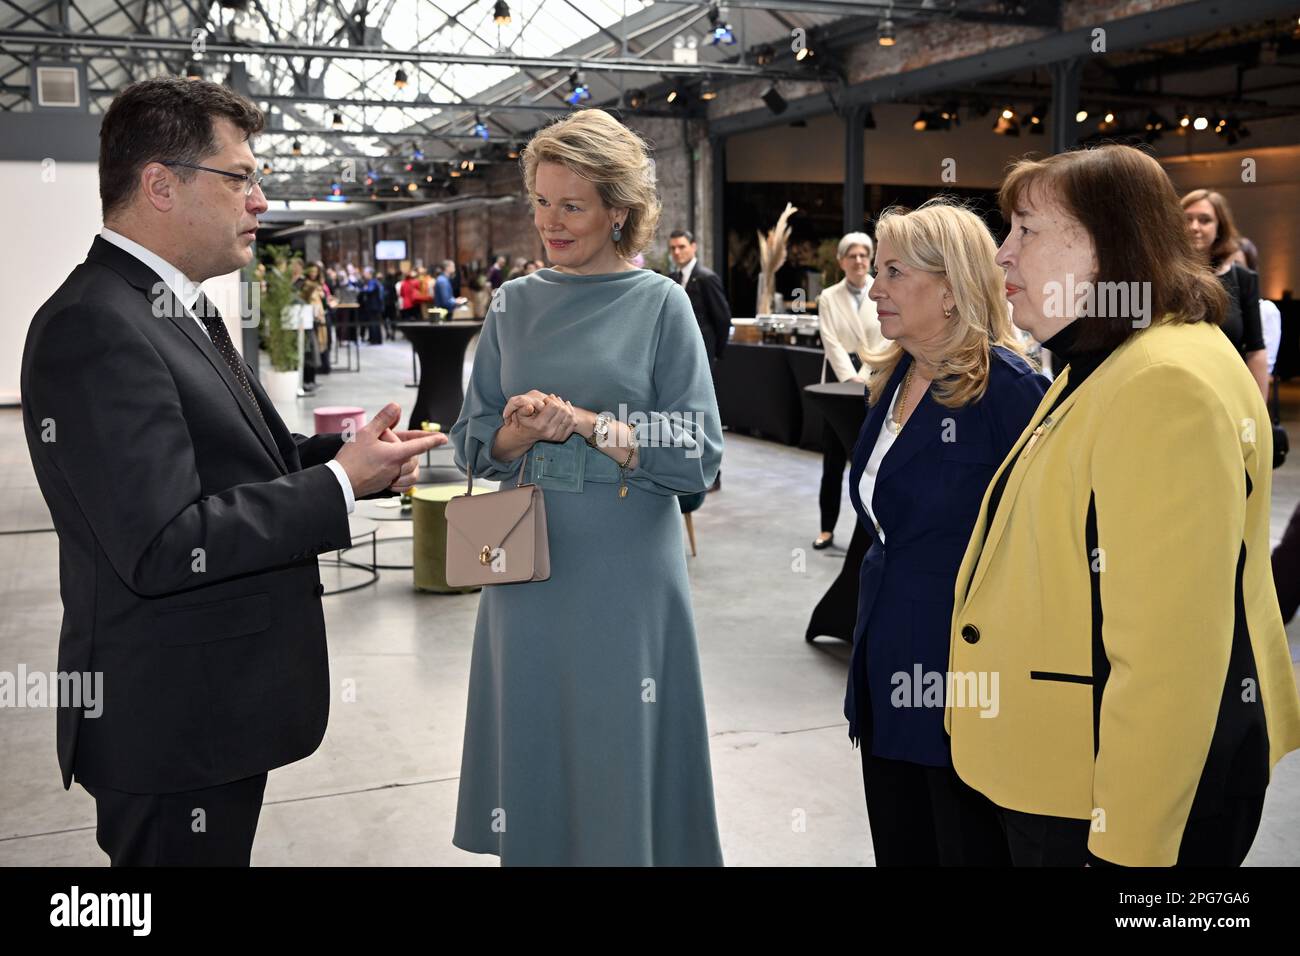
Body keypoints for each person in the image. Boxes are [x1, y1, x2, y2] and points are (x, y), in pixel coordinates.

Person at [19, 77, 444, 867]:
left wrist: (352, 461)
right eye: (241, 176)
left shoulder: (174, 307)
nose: (259, 200)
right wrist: (340, 487)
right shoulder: (95, 326)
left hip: (210, 708)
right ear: (160, 185)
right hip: (172, 724)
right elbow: (160, 542)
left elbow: (237, 464)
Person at [947, 144, 1300, 867]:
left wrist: (1130, 846)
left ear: (1108, 246)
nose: (1002, 257)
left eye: (1026, 230)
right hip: (1081, 767)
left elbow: (1170, 655)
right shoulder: (1124, 355)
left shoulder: (1159, 382)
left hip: (1104, 794)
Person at [450, 107, 724, 865]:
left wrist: (586, 423)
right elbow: (472, 441)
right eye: (540, 201)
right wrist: (520, 428)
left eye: (571, 205)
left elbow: (697, 453)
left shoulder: (662, 305)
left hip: (626, 569)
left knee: (618, 741)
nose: (550, 221)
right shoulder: (513, 302)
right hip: (526, 568)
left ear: (619, 211)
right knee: (535, 737)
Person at [843, 199, 1048, 866]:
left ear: (954, 287)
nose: (876, 288)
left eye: (895, 272)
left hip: (963, 688)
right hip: (885, 672)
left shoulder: (1009, 389)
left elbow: (1051, 545)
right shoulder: (894, 375)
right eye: (878, 270)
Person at [812, 231, 885, 551]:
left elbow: (888, 338)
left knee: (870, 459)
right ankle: (826, 529)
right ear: (841, 261)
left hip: (876, 379)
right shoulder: (828, 297)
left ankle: (867, 529)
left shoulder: (883, 290)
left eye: (864, 255)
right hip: (838, 385)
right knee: (832, 460)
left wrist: (865, 374)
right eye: (852, 255)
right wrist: (850, 378)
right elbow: (831, 342)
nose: (859, 260)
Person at [1181, 189, 1269, 402]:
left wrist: (1257, 414)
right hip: (1177, 392)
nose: (1195, 227)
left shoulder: (1243, 279)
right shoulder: (1163, 277)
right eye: (1187, 219)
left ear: (1219, 228)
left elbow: (1256, 350)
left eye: (1205, 220)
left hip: (1227, 395)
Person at [668, 229, 731, 491]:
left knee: (705, 417)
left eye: (682, 246)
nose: (677, 252)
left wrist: (715, 355)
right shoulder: (671, 278)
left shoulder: (706, 278)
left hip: (703, 360)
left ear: (693, 247)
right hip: (678, 362)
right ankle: (688, 470)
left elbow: (722, 319)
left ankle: (712, 473)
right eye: (673, 248)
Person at [358, 265, 384, 344]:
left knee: (374, 323)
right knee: (374, 323)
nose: (364, 275)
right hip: (374, 306)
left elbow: (369, 290)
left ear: (370, 274)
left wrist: (363, 289)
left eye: (365, 273)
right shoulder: (372, 281)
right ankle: (374, 339)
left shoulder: (372, 282)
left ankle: (375, 340)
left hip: (373, 306)